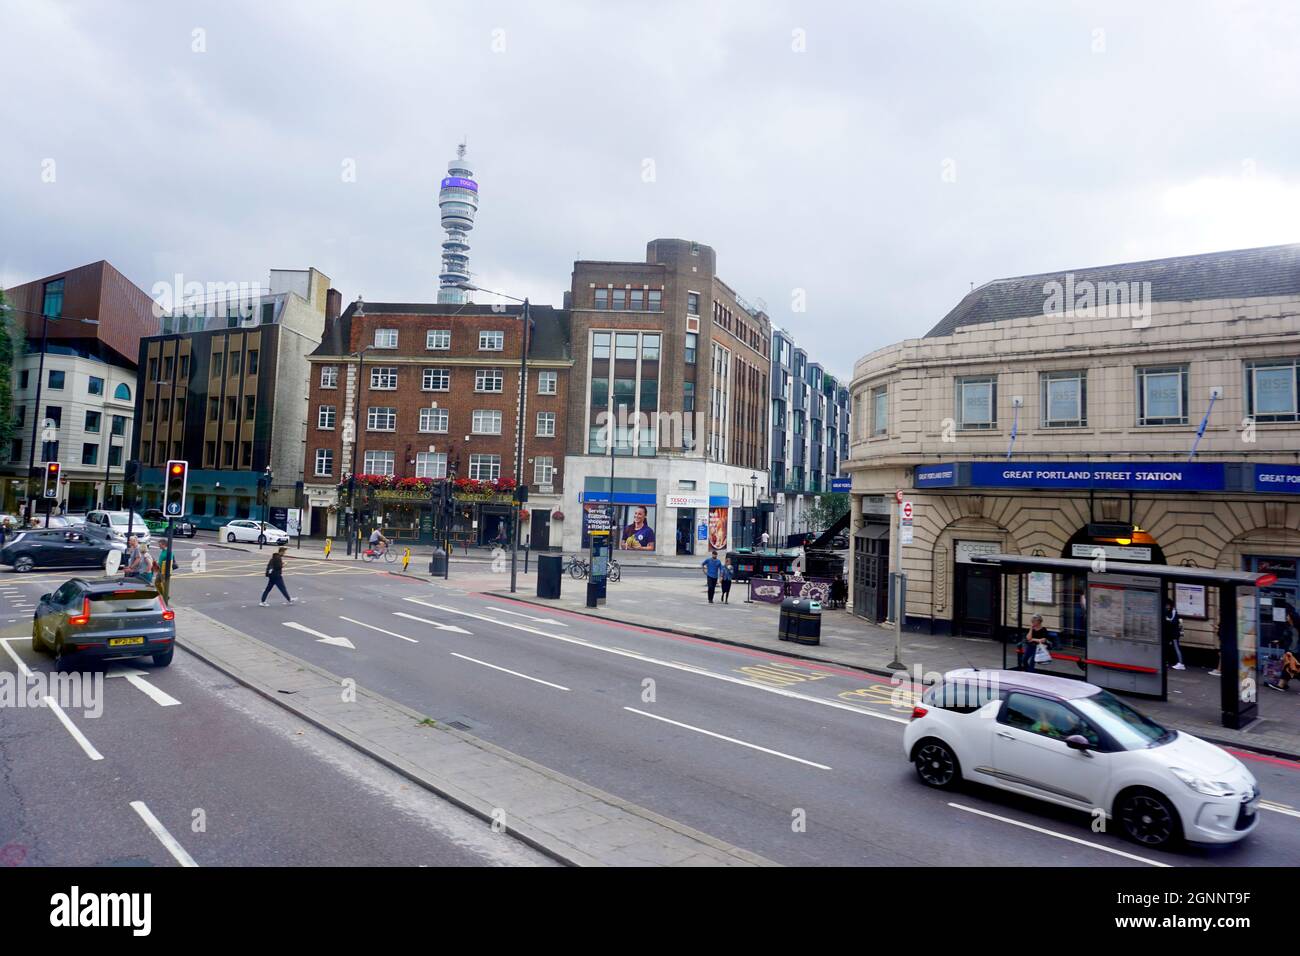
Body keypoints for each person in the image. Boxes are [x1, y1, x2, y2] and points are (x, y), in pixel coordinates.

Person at [1163, 599, 1186, 670]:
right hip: (1169, 633)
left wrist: (1167, 620)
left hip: (1174, 633)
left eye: (1168, 605)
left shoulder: (1173, 611)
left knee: (1176, 647)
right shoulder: (1167, 611)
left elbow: (1173, 621)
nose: (1167, 606)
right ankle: (1169, 662)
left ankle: (1181, 663)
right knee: (1170, 647)